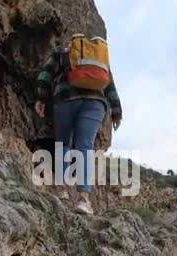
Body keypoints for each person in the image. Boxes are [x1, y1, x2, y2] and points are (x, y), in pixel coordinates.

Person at [34, 36, 123, 215]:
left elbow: (46, 74)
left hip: (66, 99)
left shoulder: (61, 54)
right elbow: (109, 85)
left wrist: (41, 98)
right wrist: (116, 111)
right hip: (95, 103)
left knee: (63, 144)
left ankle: (61, 190)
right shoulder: (99, 58)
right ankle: (84, 199)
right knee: (85, 147)